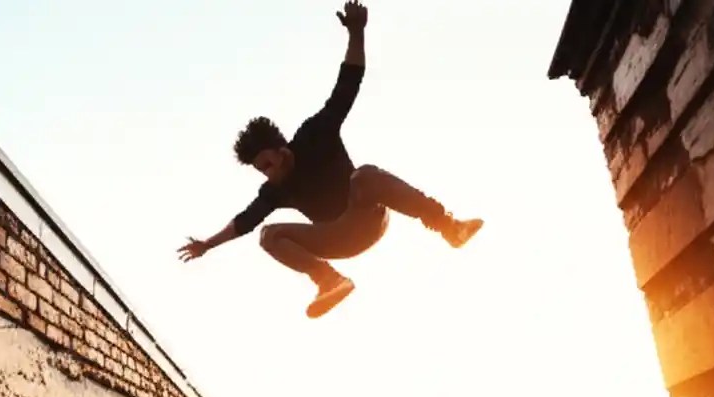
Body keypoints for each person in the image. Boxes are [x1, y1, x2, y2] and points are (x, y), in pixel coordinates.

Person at [177, 0, 485, 318]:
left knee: (363, 177)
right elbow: (244, 222)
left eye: (267, 165)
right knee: (269, 235)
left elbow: (347, 86)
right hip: (335, 237)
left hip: (366, 218)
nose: (268, 175)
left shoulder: (316, 133)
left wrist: (356, 32)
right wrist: (206, 245)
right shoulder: (274, 191)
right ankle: (328, 280)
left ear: (282, 151)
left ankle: (448, 226)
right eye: (260, 171)